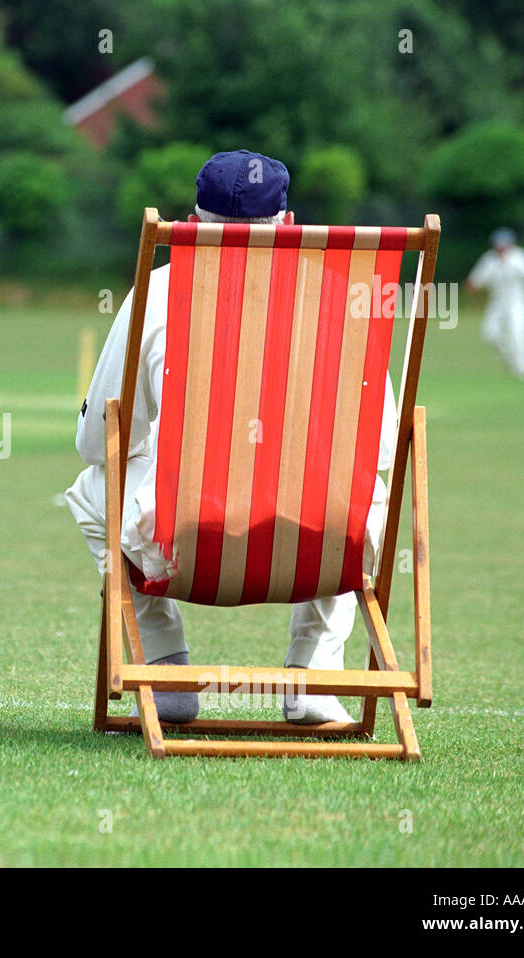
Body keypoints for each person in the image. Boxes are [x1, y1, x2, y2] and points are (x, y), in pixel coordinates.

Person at [65, 149, 394, 726]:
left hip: (189, 542)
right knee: (348, 481)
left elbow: (100, 443)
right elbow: (384, 446)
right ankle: (313, 677)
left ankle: (164, 669)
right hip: (322, 546)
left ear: (191, 227)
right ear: (290, 225)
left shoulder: (159, 292)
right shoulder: (347, 294)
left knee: (94, 485)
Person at [466, 228, 524, 381]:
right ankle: (511, 360)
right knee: (489, 334)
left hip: (518, 301)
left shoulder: (520, 258)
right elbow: (475, 280)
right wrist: (470, 289)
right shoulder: (489, 259)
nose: (501, 250)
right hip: (496, 302)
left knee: (518, 333)